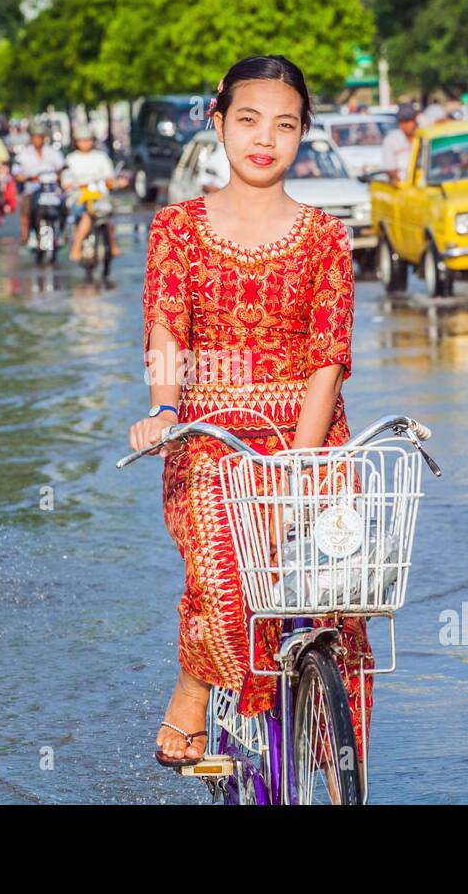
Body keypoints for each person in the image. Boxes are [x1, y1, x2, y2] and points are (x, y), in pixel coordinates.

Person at [129, 54, 367, 767]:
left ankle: (325, 745)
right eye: (249, 120)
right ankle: (194, 688)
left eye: (285, 125)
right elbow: (167, 328)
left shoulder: (326, 236)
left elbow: (328, 357)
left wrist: (301, 458)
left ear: (303, 136)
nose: (265, 138)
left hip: (311, 431)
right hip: (209, 434)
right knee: (227, 575)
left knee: (334, 577)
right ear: (218, 122)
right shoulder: (176, 228)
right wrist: (165, 409)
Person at [61, 124, 122, 260]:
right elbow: (66, 180)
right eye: (82, 140)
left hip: (99, 195)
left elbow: (109, 177)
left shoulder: (101, 157)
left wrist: (114, 183)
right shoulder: (71, 159)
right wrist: (72, 185)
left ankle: (112, 244)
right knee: (87, 216)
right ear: (76, 142)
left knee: (106, 214)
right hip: (79, 196)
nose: (85, 143)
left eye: (88, 140)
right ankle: (76, 248)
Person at [13, 122, 65, 245]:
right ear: (31, 138)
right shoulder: (24, 154)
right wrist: (24, 177)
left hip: (52, 189)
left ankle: (61, 233)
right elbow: (17, 171)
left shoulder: (52, 152)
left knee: (64, 205)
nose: (38, 140)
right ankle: (25, 233)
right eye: (35, 137)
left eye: (40, 137)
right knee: (26, 206)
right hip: (33, 189)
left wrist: (60, 176)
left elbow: (61, 166)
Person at [381, 101, 418, 182]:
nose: (406, 126)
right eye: (403, 122)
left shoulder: (423, 136)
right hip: (401, 185)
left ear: (415, 121)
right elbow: (390, 167)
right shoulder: (391, 139)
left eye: (409, 122)